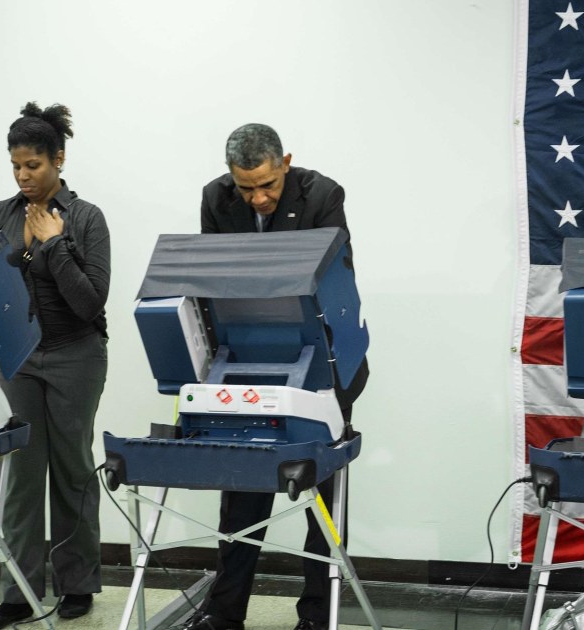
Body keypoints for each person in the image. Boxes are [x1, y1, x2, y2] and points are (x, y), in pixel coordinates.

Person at [182, 123, 369, 630]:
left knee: (321, 496)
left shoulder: (323, 195)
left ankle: (316, 615)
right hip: (250, 359)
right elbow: (214, 283)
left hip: (324, 360)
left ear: (286, 162)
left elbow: (330, 276)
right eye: (246, 189)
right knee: (241, 488)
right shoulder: (216, 199)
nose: (257, 198)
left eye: (267, 185)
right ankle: (225, 613)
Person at [0, 102, 111, 629]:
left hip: (77, 354)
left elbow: (91, 303)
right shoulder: (0, 215)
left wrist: (54, 245)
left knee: (74, 468)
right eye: (15, 166)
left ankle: (77, 584)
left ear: (58, 159)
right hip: (20, 356)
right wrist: (24, 252)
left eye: (33, 166)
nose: (23, 176)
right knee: (23, 472)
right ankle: (19, 590)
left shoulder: (86, 218)